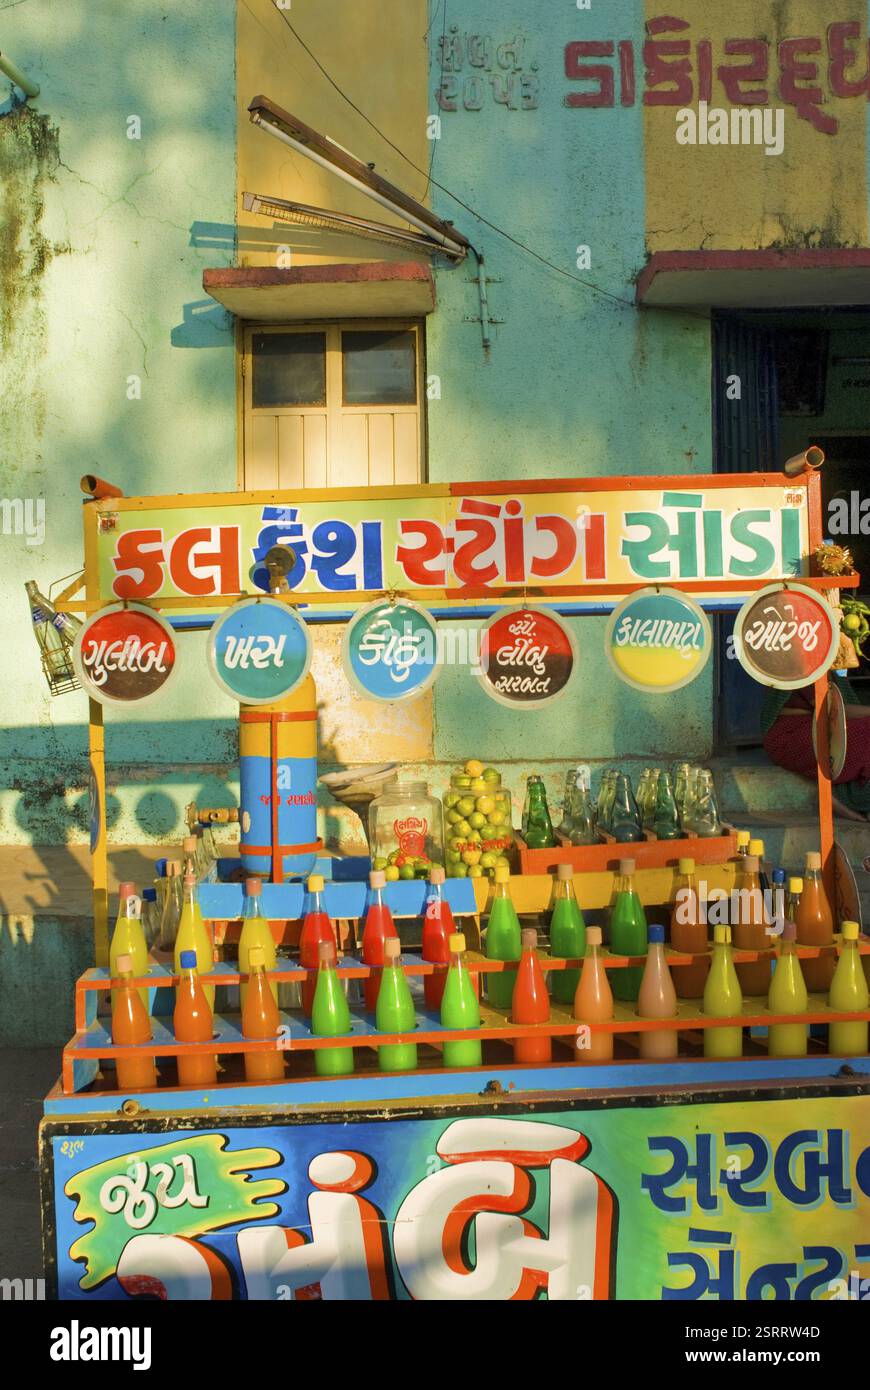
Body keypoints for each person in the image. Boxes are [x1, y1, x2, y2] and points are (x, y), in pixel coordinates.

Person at [762, 671, 870, 821]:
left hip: (818, 726)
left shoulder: (830, 668)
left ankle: (845, 797)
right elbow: (831, 710)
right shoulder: (806, 666)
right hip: (791, 736)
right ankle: (843, 798)